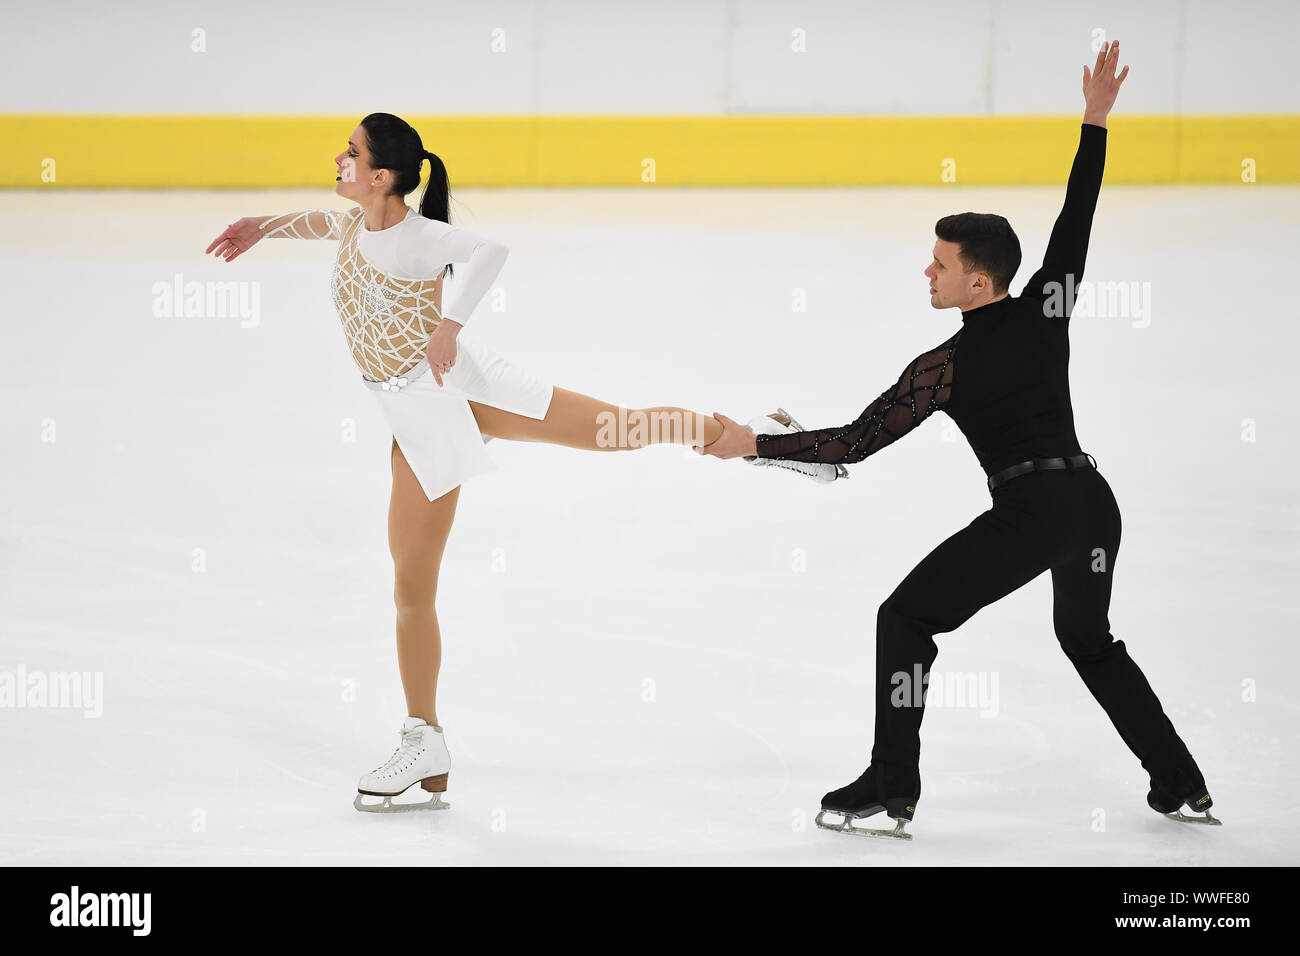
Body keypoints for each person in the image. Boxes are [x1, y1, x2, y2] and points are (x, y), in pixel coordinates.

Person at [204, 112, 840, 813]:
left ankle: (760, 439)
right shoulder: (358, 223)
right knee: (410, 588)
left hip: (456, 396)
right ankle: (427, 740)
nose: (338, 159)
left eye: (349, 154)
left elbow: (491, 250)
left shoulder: (418, 237)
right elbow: (328, 230)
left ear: (380, 176)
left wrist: (449, 326)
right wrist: (262, 224)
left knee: (616, 430)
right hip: (413, 413)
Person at [703, 41, 1219, 838]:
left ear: (978, 281)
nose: (927, 273)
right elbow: (1076, 216)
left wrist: (754, 447)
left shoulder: (944, 366)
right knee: (1087, 637)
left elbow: (854, 443)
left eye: (939, 265)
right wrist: (1095, 120)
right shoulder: (1049, 306)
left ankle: (891, 780)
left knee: (905, 619)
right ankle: (1179, 778)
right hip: (1092, 503)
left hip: (1035, 510)